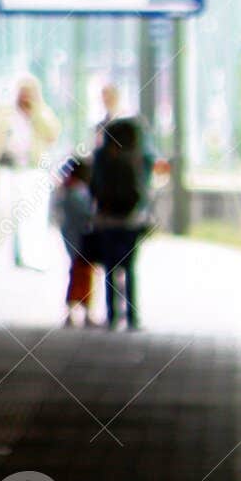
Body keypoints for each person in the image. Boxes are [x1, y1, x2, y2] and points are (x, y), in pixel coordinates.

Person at [0, 74, 62, 270]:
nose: (25, 96)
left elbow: (52, 134)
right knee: (2, 212)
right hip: (7, 168)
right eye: (23, 92)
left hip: (31, 169)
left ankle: (32, 257)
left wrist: (35, 112)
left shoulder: (42, 112)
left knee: (33, 215)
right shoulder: (3, 113)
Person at [89, 118, 155, 331]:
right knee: (130, 268)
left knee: (110, 268)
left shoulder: (101, 157)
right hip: (129, 220)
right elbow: (142, 188)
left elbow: (94, 186)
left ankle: (112, 315)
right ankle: (132, 315)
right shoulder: (136, 158)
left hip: (106, 219)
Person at [52, 157, 96, 327]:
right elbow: (86, 215)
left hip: (72, 239)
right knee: (83, 277)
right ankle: (81, 311)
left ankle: (76, 311)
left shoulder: (66, 191)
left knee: (77, 276)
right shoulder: (78, 192)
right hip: (81, 240)